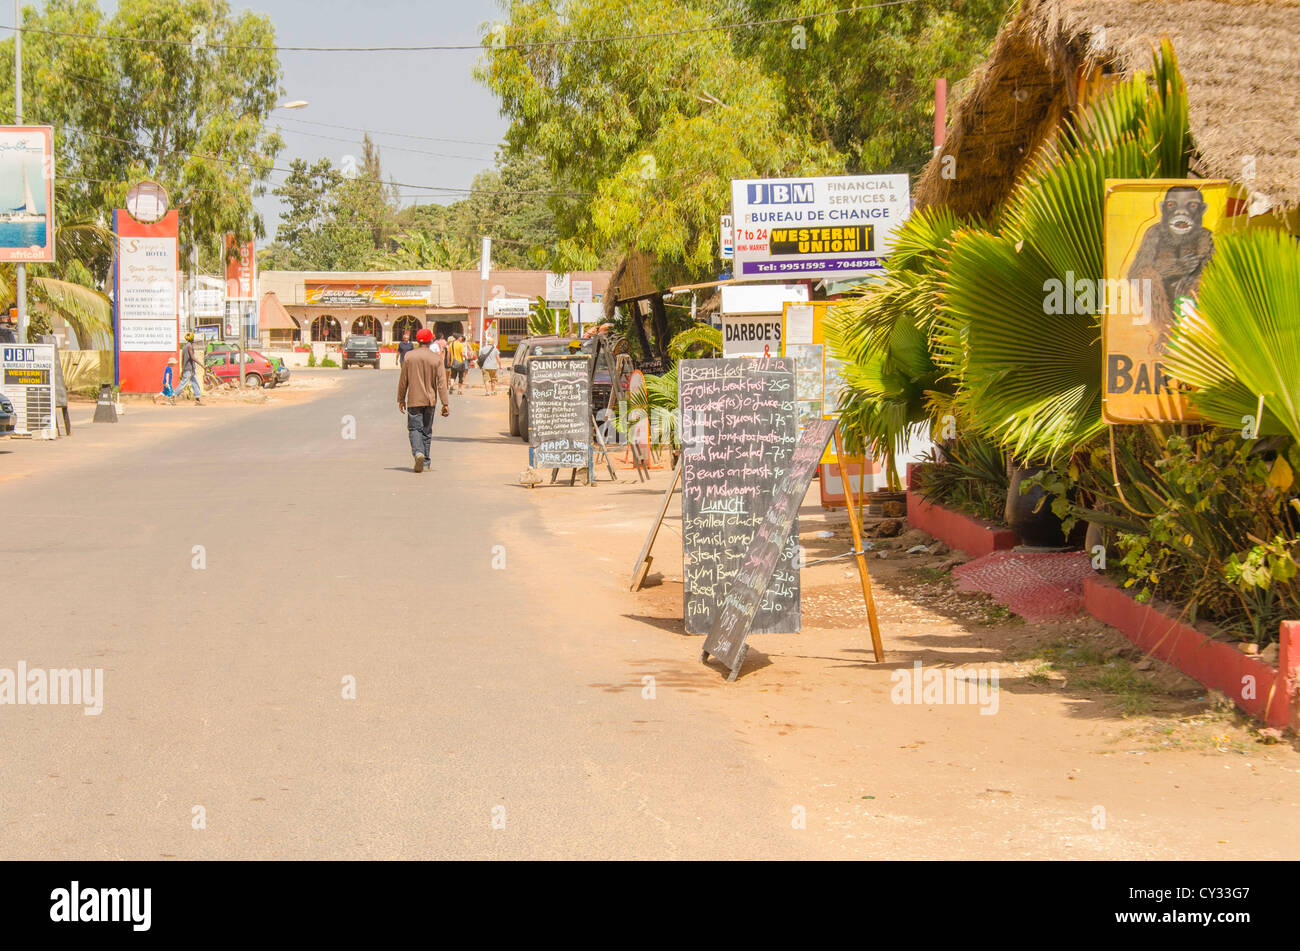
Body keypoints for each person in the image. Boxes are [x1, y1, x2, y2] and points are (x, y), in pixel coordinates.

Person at [397, 327, 450, 473]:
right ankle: (426, 462)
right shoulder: (436, 358)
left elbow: (403, 380)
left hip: (414, 400)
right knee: (427, 431)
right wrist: (445, 403)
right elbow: (441, 383)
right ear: (431, 340)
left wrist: (401, 398)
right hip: (430, 401)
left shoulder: (409, 356)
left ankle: (418, 453)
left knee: (414, 428)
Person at [178, 332, 202, 405]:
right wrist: (201, 365)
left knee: (194, 383)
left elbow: (183, 359)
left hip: (188, 368)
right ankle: (173, 396)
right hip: (189, 368)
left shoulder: (184, 346)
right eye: (193, 338)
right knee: (183, 383)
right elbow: (192, 357)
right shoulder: (189, 346)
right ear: (191, 339)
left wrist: (182, 369)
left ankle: (197, 399)